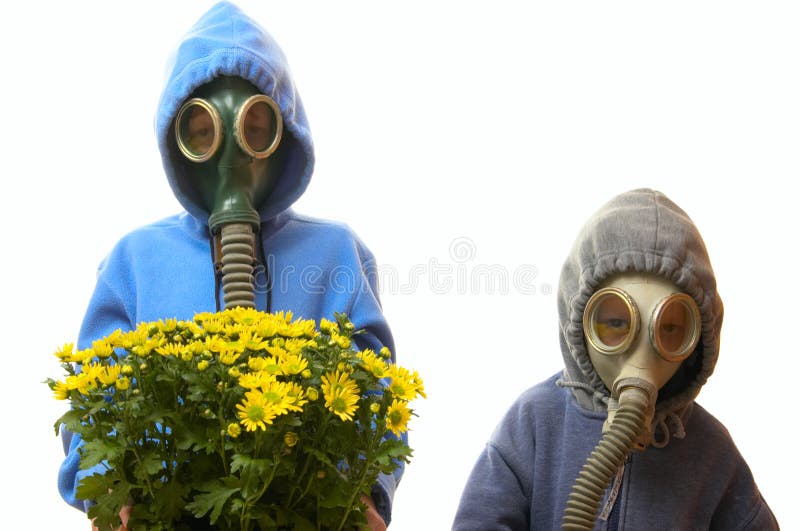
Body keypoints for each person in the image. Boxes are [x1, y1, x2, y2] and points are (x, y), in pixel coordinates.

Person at [58, 2, 397, 529]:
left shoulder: (335, 256)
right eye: (203, 131)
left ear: (285, 138)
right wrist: (109, 493)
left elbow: (374, 394)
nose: (232, 156)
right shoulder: (135, 262)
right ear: (177, 139)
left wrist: (363, 492)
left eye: (256, 128)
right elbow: (93, 399)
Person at [452, 188, 778, 530]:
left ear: (696, 340)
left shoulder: (711, 453)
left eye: (669, 328)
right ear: (580, 323)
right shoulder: (536, 422)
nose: (642, 352)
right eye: (617, 323)